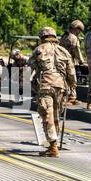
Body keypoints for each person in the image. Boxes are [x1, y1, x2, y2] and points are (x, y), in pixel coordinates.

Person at [28, 26, 75, 157]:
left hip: (46, 86)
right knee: (55, 116)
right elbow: (71, 73)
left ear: (42, 38)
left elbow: (28, 69)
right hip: (61, 87)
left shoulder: (39, 49)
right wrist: (72, 89)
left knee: (47, 115)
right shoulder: (64, 51)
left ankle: (53, 147)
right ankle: (53, 145)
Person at [61, 19, 86, 103]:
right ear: (76, 28)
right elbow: (77, 51)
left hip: (61, 62)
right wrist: (82, 62)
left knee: (64, 79)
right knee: (72, 80)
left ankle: (67, 97)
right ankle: (71, 98)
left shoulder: (64, 36)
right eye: (79, 30)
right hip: (69, 62)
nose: (79, 33)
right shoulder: (74, 38)